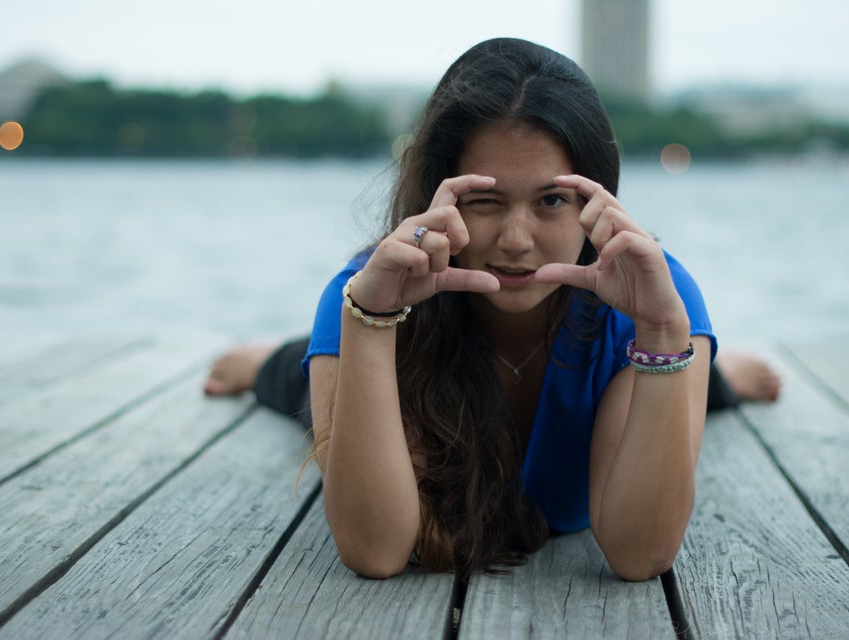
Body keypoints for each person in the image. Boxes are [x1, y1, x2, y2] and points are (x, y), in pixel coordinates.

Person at [204, 37, 780, 581]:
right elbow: (375, 551)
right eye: (485, 200)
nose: (516, 239)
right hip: (389, 333)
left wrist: (660, 333)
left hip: (632, 348)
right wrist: (372, 326)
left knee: (694, 384)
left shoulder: (656, 297)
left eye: (552, 200)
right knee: (294, 379)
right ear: (438, 193)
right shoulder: (366, 294)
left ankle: (718, 377)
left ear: (598, 200)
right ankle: (266, 361)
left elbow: (641, 555)